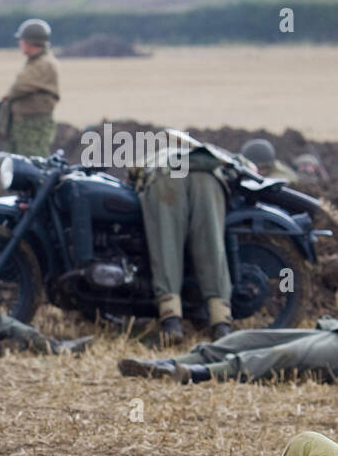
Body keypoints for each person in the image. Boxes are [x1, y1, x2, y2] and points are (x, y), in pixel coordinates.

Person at [133, 131, 235, 342]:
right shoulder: (206, 156)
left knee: (165, 247)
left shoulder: (154, 156)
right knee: (213, 247)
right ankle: (221, 321)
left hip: (166, 179)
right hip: (208, 180)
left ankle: (171, 321)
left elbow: (134, 175)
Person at [118, 317, 338, 384]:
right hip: (332, 329)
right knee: (245, 338)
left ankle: (192, 373)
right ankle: (164, 364)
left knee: (284, 355)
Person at [0, 19, 59, 157]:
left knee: (32, 161)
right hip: (25, 124)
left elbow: (21, 86)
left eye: (22, 40)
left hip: (33, 125)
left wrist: (8, 96)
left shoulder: (43, 63)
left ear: (31, 42)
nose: (20, 43)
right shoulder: (36, 62)